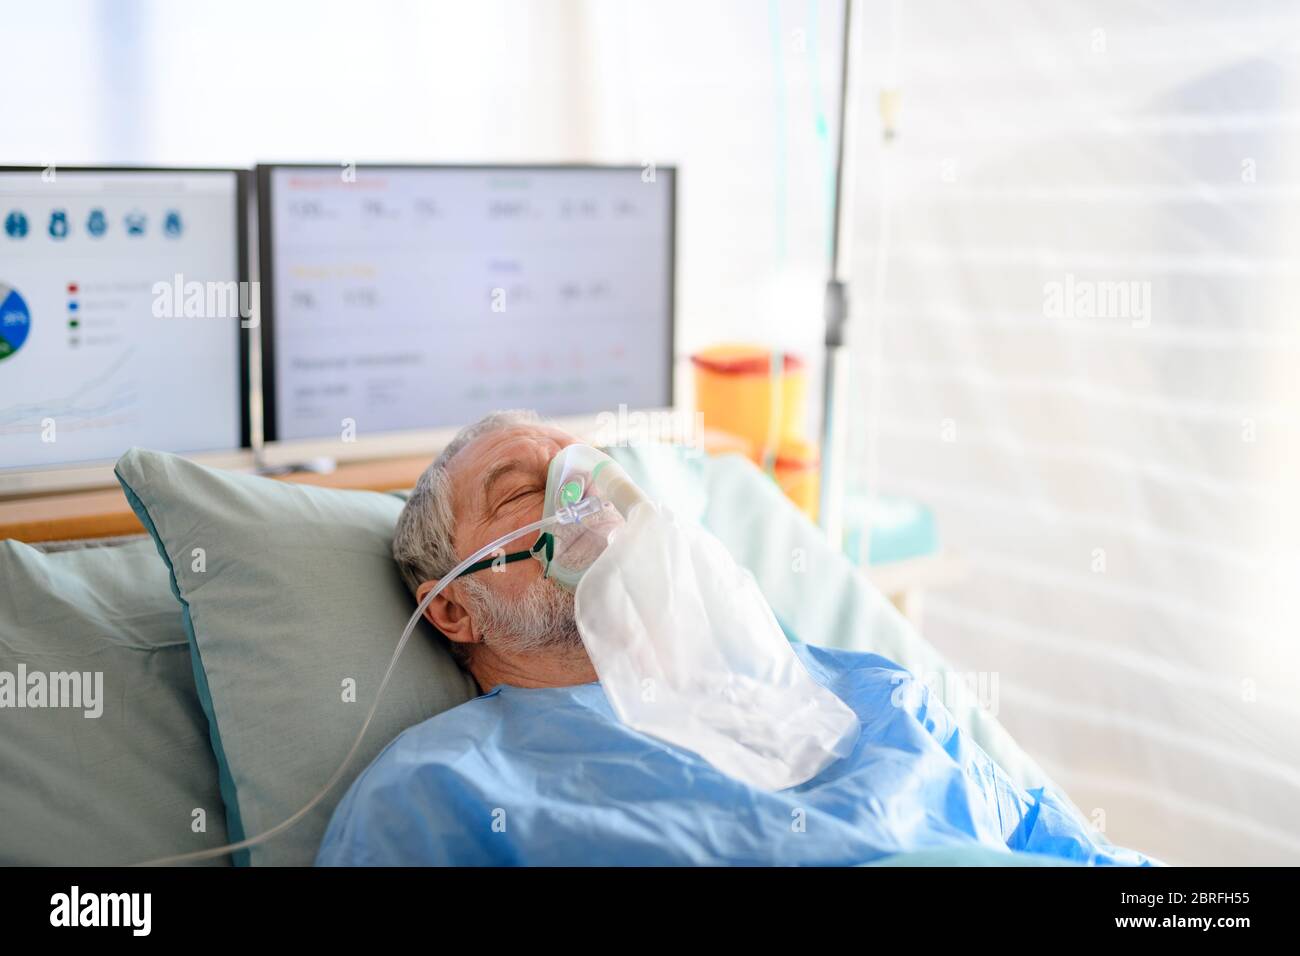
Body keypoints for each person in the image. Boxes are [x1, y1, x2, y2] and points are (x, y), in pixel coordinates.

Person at [317, 410, 1154, 866]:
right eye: (520, 496)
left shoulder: (854, 691)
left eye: (587, 472)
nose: (580, 500)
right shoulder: (438, 794)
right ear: (452, 610)